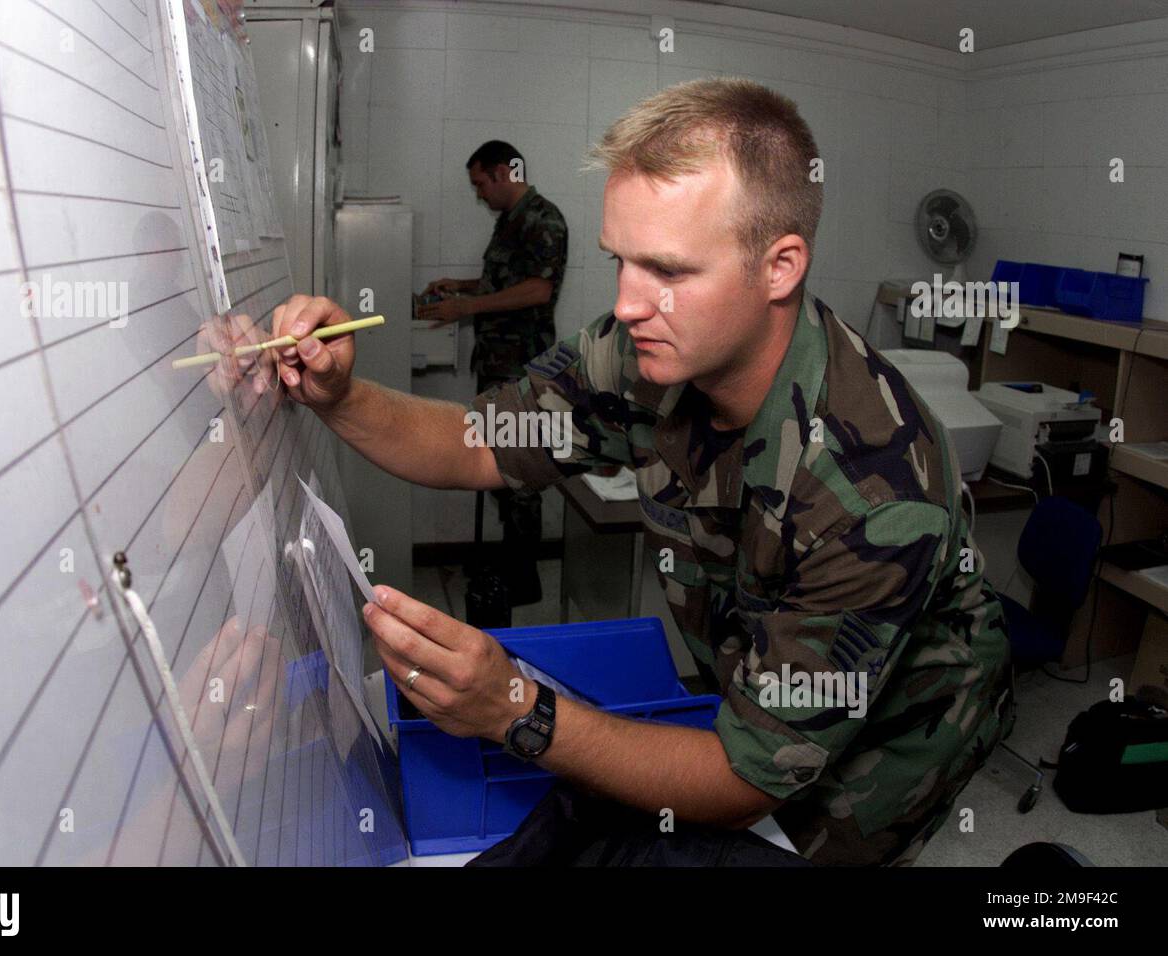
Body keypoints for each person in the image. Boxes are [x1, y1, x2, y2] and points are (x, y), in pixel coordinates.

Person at [260, 78, 1011, 866]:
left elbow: (744, 778)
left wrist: (512, 706)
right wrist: (337, 395)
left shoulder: (876, 488)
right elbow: (478, 441)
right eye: (619, 261)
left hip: (893, 740)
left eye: (668, 271)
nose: (625, 305)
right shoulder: (643, 349)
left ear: (780, 265)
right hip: (756, 687)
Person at [417, 141, 568, 605]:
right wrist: (459, 286)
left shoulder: (544, 219)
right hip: (497, 365)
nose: (479, 194)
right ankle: (505, 564)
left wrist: (468, 306)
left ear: (504, 172)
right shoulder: (508, 221)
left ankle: (522, 578)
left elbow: (539, 291)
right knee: (499, 466)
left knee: (521, 469)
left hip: (524, 370)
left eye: (481, 183)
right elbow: (504, 283)